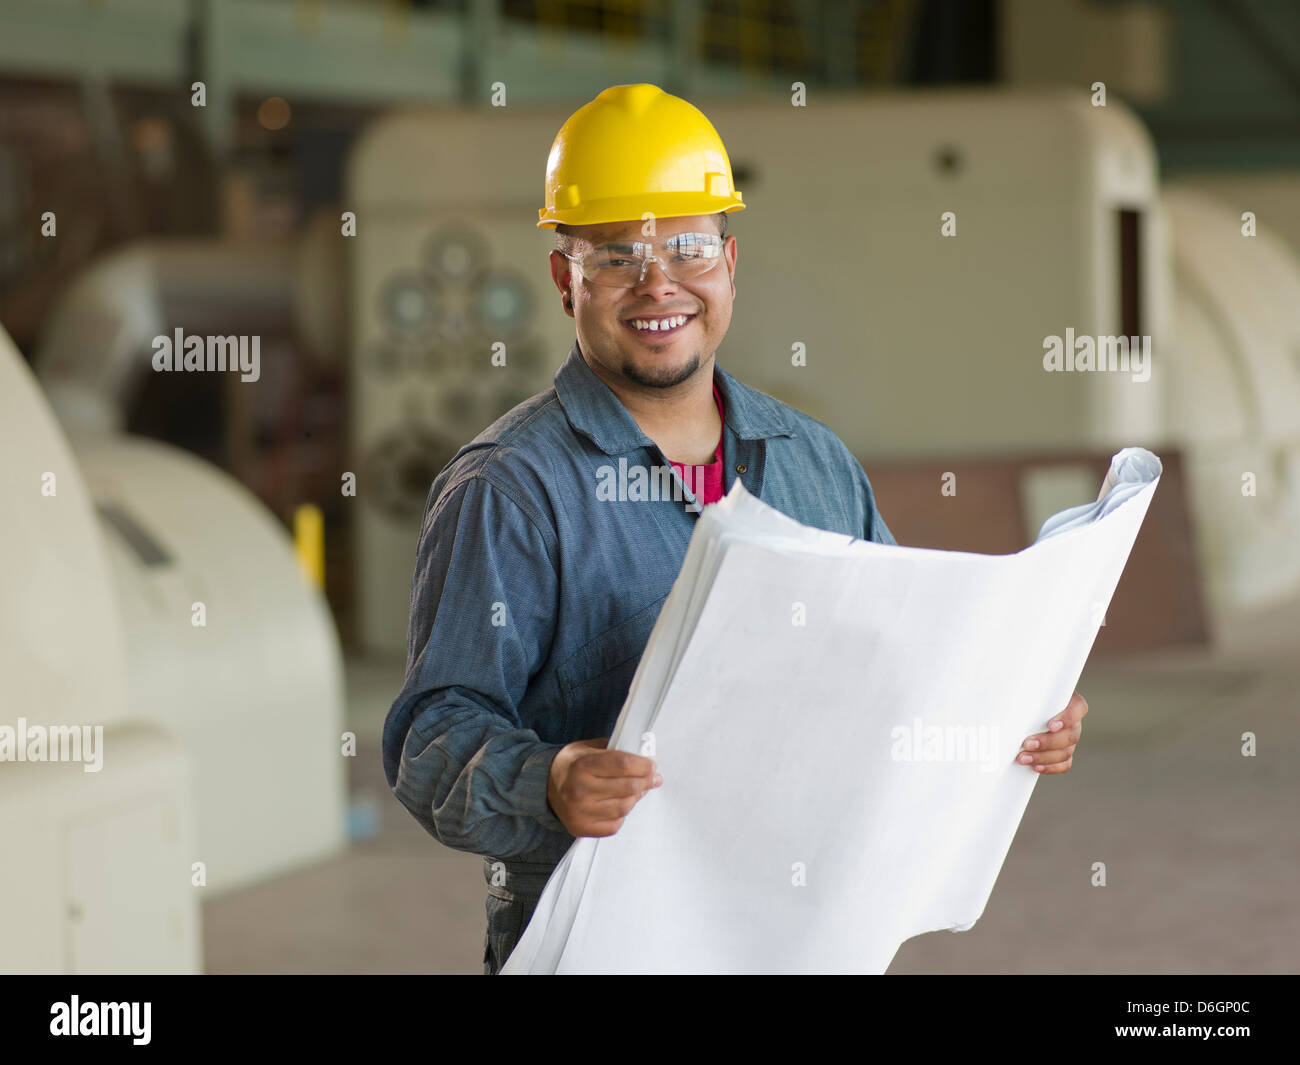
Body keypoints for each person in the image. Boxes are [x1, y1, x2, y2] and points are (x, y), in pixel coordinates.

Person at [381, 83, 1089, 975]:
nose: (657, 284)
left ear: (729, 260)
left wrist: (1014, 712)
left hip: (805, 933)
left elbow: (909, 658)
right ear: (565, 280)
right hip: (609, 946)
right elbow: (429, 737)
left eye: (687, 246)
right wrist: (550, 779)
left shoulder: (812, 460)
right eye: (615, 255)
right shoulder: (513, 490)